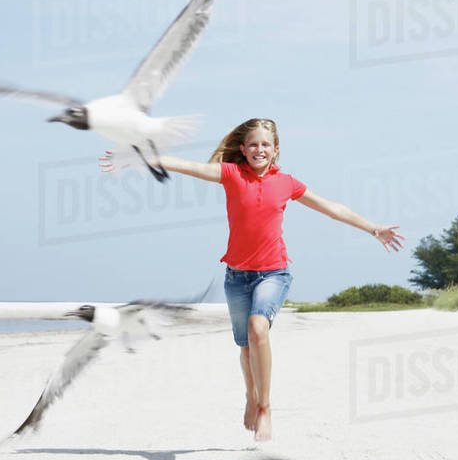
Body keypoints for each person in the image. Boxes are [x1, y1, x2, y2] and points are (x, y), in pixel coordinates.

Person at [99, 118, 403, 442]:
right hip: (237, 277)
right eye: (254, 144)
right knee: (246, 348)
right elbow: (185, 166)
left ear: (275, 151)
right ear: (243, 150)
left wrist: (373, 229)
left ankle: (265, 409)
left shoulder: (286, 182)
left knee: (259, 329)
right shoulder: (231, 175)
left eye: (266, 145)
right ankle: (250, 395)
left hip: (274, 273)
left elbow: (331, 208)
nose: (260, 149)